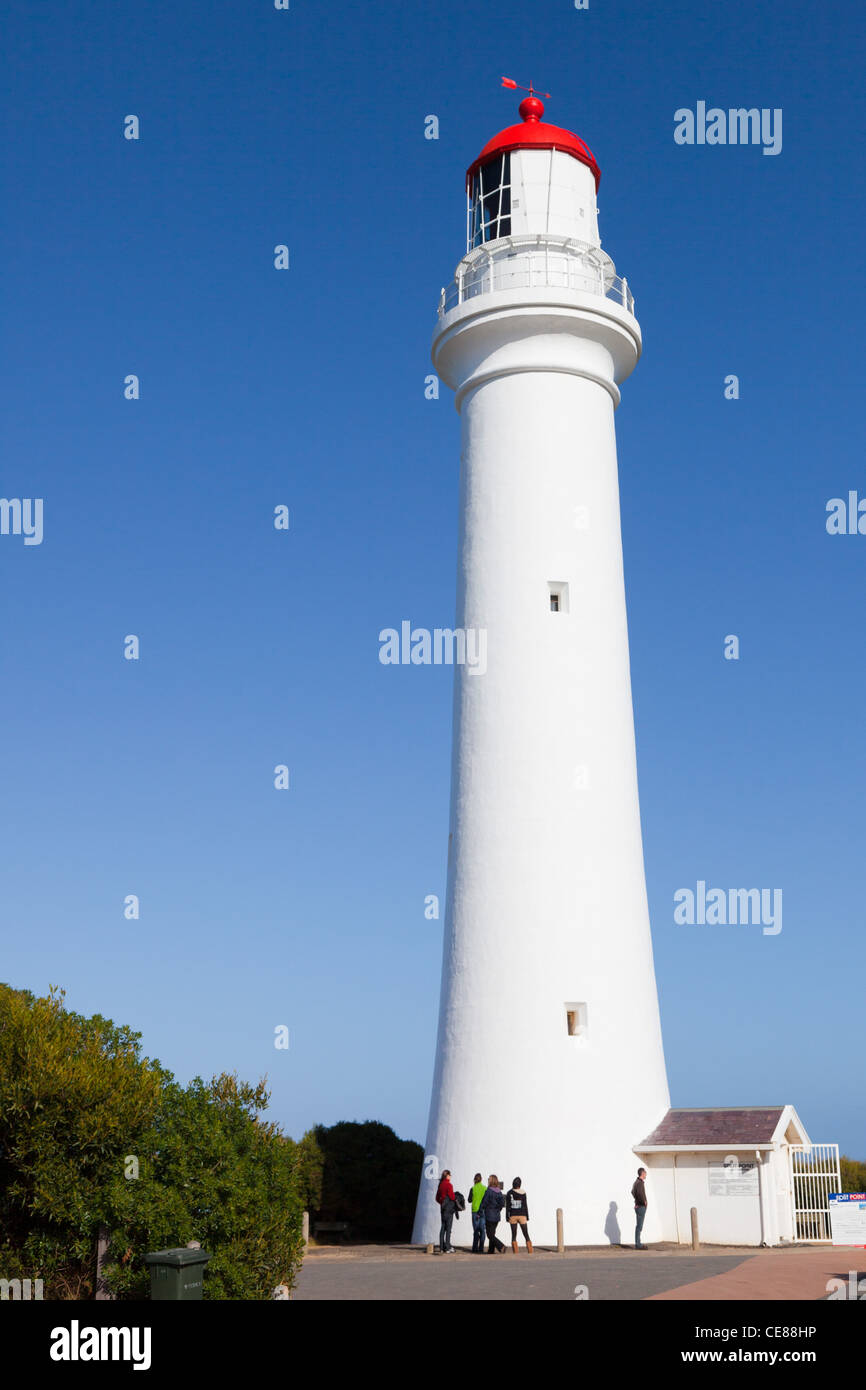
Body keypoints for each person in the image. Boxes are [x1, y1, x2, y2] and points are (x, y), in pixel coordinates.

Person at [479, 1174, 506, 1253]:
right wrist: (498, 1210)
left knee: (490, 1235)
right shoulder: (499, 1192)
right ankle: (491, 1250)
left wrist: (480, 1212)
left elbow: (484, 1203)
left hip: (489, 1216)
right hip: (497, 1216)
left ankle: (501, 1246)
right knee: (492, 1233)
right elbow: (502, 1204)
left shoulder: (489, 1191)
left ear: (490, 1181)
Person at [505, 1176, 533, 1253]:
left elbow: (507, 1206)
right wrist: (527, 1216)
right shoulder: (523, 1193)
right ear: (520, 1184)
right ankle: (530, 1251)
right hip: (522, 1215)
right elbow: (525, 1205)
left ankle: (515, 1252)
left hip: (513, 1215)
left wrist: (507, 1217)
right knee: (526, 1234)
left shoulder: (509, 1192)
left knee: (514, 1235)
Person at [436, 1169, 457, 1253]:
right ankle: (447, 1247)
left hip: (442, 1208)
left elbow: (437, 1198)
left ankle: (441, 1247)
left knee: (443, 1227)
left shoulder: (440, 1185)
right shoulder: (449, 1185)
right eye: (450, 1175)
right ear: (447, 1175)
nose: (451, 1176)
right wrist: (455, 1199)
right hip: (449, 1209)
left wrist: (442, 1203)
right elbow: (452, 1197)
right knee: (448, 1228)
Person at [469, 1172, 487, 1254]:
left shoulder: (473, 1188)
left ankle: (475, 1248)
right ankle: (481, 1248)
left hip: (475, 1211)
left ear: (475, 1180)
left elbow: (469, 1200)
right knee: (482, 1230)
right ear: (481, 1179)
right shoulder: (485, 1188)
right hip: (483, 1210)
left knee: (476, 1230)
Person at [632, 1167, 648, 1250]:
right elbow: (639, 1193)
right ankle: (638, 1244)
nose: (646, 1174)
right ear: (642, 1173)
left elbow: (632, 1192)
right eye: (645, 1172)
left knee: (639, 1226)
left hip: (639, 1206)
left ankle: (638, 1243)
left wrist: (637, 1201)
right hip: (640, 1207)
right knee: (639, 1226)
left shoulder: (637, 1182)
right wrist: (643, 1201)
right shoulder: (639, 1183)